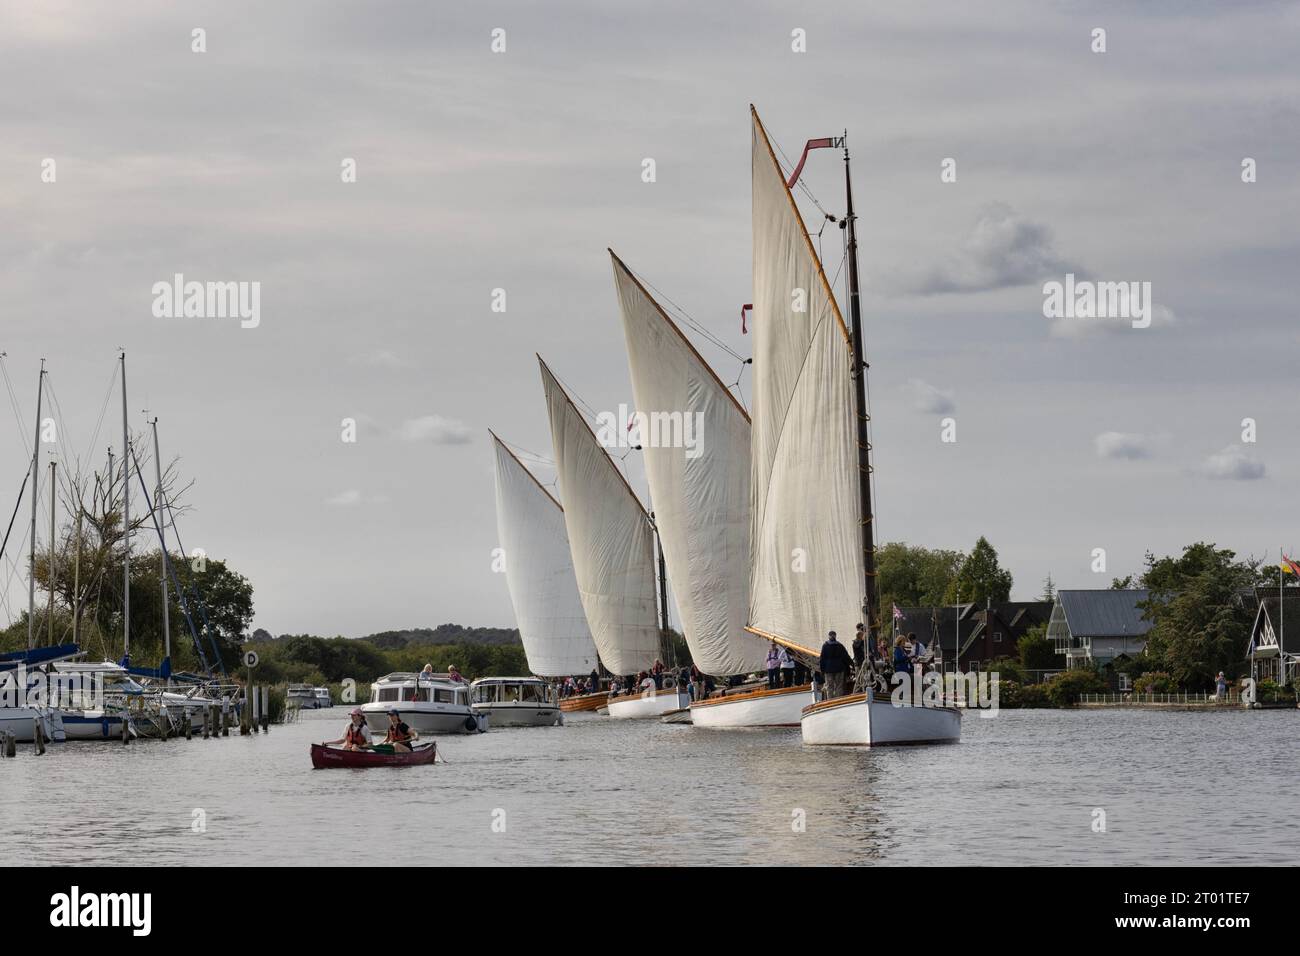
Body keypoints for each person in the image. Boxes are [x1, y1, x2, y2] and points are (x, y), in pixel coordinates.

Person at [819, 631, 853, 700]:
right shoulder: (840, 645)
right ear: (835, 636)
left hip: (828, 669)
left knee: (829, 686)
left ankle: (830, 701)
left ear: (829, 636)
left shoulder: (825, 646)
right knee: (839, 686)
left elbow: (822, 659)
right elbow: (846, 657)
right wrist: (852, 664)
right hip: (839, 668)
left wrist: (822, 670)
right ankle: (838, 700)